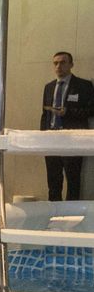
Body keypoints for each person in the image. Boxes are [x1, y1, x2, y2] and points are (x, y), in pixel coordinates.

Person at [40, 51, 94, 201]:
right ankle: (52, 215)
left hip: (73, 139)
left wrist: (68, 112)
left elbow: (91, 110)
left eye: (63, 62)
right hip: (51, 138)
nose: (59, 66)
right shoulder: (49, 87)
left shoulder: (84, 86)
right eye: (55, 63)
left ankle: (72, 217)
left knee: (73, 180)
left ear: (71, 65)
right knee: (53, 180)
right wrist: (42, 136)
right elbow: (45, 114)